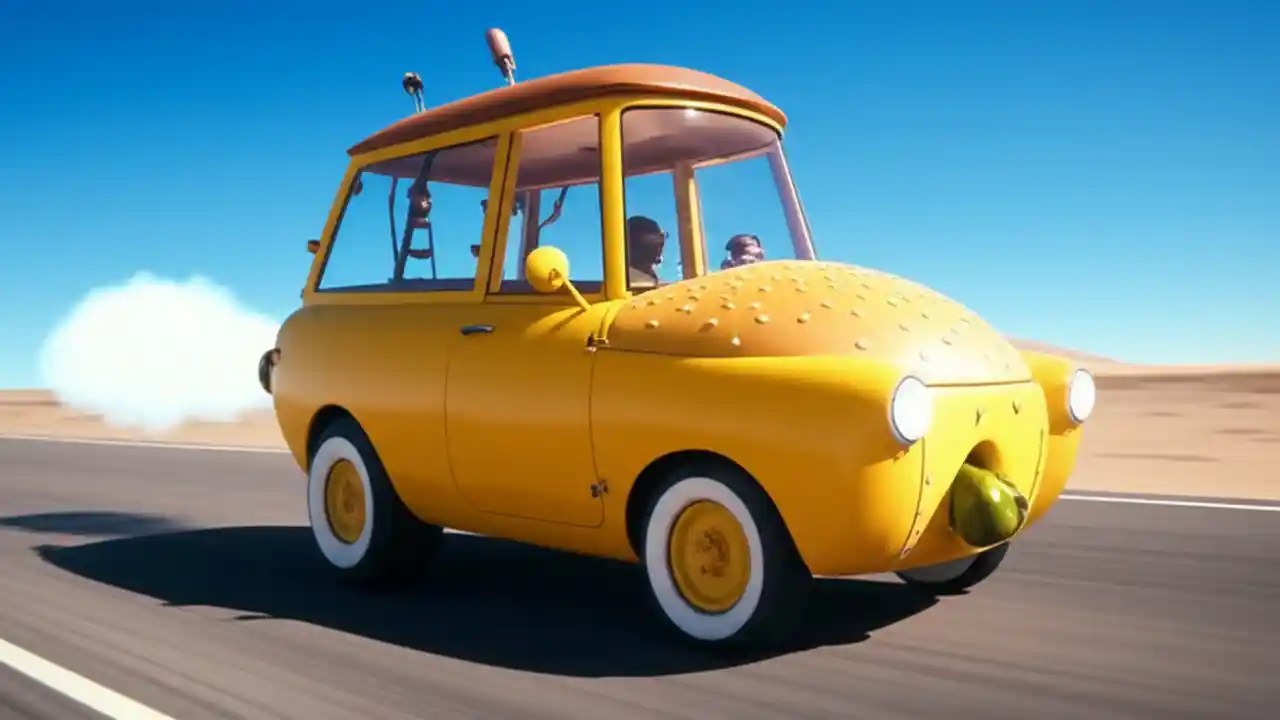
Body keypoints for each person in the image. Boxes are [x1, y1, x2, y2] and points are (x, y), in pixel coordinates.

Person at [626, 215, 666, 288]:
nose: (661, 242)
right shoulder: (632, 283)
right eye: (657, 237)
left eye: (662, 237)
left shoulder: (657, 282)